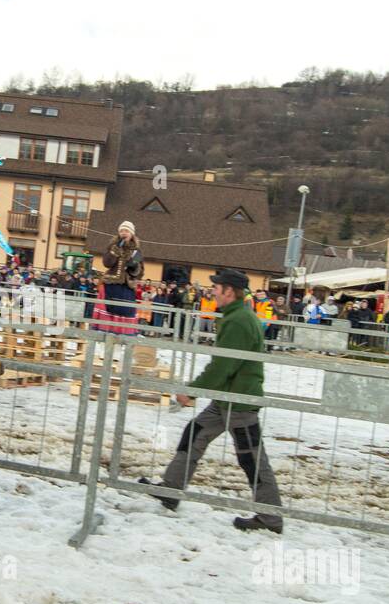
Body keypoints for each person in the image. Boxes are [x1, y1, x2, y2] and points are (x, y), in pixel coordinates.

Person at [140, 268, 283, 533]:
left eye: (217, 288)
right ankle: (172, 489)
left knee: (252, 459)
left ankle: (270, 517)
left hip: (238, 402)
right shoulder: (236, 316)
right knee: (194, 433)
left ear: (229, 291)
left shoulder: (238, 320)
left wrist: (192, 390)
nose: (213, 292)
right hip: (226, 399)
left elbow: (223, 366)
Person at [96, 221, 143, 335]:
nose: (123, 233)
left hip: (126, 286)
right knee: (110, 306)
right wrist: (114, 252)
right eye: (121, 231)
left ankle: (122, 333)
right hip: (111, 283)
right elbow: (106, 263)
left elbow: (140, 272)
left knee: (125, 309)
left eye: (126, 231)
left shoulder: (136, 251)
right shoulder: (113, 246)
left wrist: (134, 267)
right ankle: (106, 333)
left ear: (131, 233)